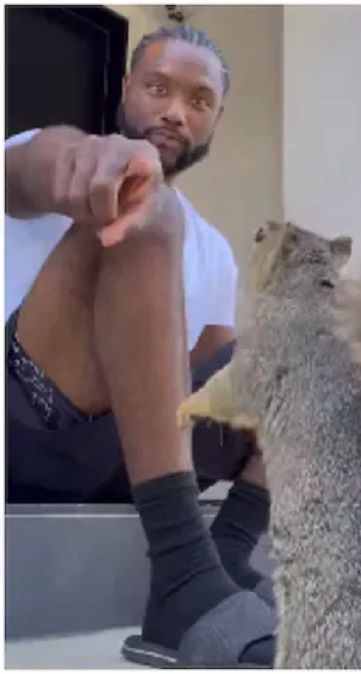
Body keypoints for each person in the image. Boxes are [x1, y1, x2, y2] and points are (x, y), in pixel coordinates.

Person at [5, 26, 275, 666]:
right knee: (139, 193)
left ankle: (227, 554)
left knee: (319, 348)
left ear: (214, 120)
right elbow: (38, 165)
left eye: (199, 100)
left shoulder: (211, 249)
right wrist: (82, 160)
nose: (176, 111)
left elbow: (198, 380)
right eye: (158, 88)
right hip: (23, 426)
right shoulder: (36, 151)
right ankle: (182, 571)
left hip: (117, 456)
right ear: (127, 89)